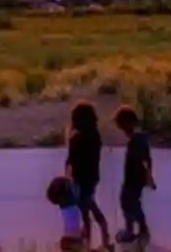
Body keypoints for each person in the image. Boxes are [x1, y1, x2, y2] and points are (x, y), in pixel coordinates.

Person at [65, 101, 112, 250]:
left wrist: (67, 177)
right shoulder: (95, 137)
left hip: (80, 178)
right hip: (92, 177)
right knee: (86, 207)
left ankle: (101, 234)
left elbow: (70, 160)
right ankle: (91, 238)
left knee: (87, 206)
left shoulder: (77, 139)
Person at [114, 106, 155, 245]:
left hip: (134, 178)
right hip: (137, 177)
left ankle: (132, 230)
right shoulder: (141, 138)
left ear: (128, 123)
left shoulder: (136, 140)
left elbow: (143, 159)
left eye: (121, 125)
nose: (121, 129)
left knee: (128, 203)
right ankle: (137, 228)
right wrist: (149, 175)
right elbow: (148, 159)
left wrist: (148, 175)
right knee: (132, 202)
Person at [46, 175, 86, 251]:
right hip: (72, 244)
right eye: (72, 189)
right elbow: (73, 234)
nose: (75, 191)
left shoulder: (66, 211)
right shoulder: (72, 211)